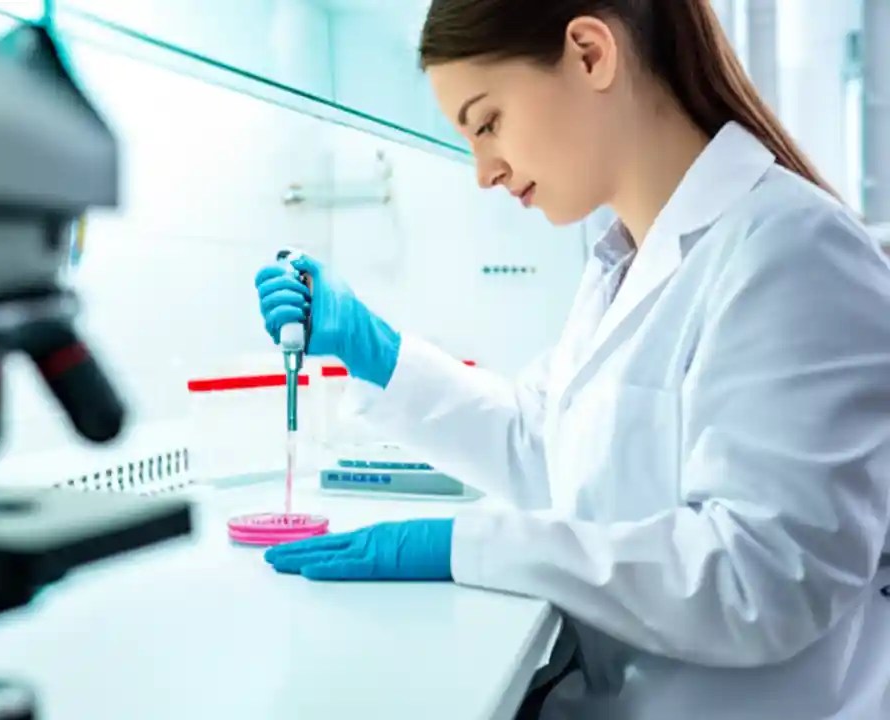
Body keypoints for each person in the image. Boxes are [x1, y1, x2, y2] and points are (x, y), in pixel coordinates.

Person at [252, 1, 890, 718]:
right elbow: (542, 444)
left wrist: (472, 544)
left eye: (486, 123)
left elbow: (762, 578)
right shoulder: (622, 263)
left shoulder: (795, 250)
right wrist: (376, 353)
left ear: (590, 53)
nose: (483, 172)